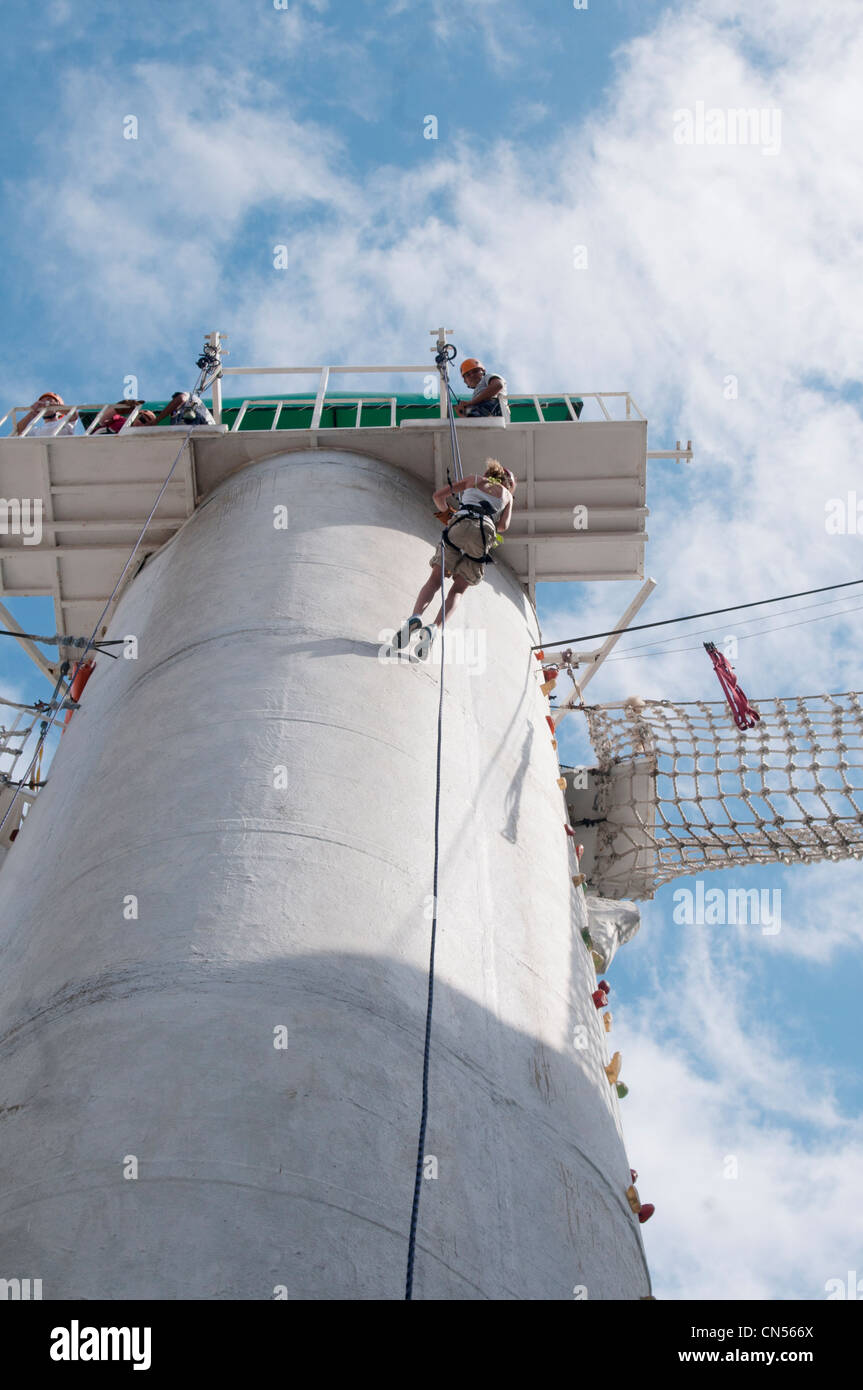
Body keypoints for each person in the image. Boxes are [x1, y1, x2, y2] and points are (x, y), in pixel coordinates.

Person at [396, 459, 517, 653]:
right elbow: (502, 527)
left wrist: (448, 513)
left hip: (460, 522)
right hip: (483, 534)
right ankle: (435, 628)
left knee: (435, 580)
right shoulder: (508, 497)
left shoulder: (474, 479)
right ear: (509, 485)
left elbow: (438, 496)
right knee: (458, 590)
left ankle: (415, 616)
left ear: (489, 473)